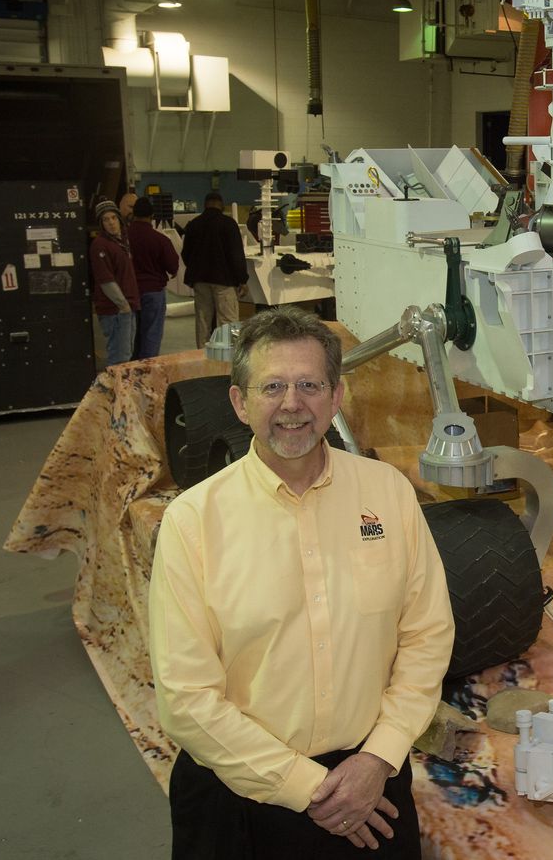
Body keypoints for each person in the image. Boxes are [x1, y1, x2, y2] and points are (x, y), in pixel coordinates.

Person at [149, 306, 454, 859]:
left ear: (336, 398)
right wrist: (309, 788)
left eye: (309, 385)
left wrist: (379, 757)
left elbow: (427, 635)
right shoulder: (193, 521)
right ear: (240, 402)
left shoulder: (387, 494)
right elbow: (186, 697)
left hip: (371, 782)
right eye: (272, 386)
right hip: (240, 795)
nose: (292, 403)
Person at [181, 190, 248, 348]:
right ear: (221, 206)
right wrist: (242, 279)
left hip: (200, 280)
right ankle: (229, 356)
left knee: (203, 321)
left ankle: (202, 355)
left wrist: (195, 271)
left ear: (205, 205)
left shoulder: (194, 224)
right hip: (224, 281)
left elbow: (185, 253)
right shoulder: (229, 224)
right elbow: (236, 254)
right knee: (228, 322)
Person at [128, 196, 181, 359]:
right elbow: (173, 266)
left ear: (133, 214)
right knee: (151, 334)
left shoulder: (123, 238)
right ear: (152, 216)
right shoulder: (160, 239)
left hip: (128, 292)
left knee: (130, 336)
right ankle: (147, 368)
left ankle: (131, 367)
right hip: (153, 291)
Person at [89, 199, 139, 367]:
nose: (111, 222)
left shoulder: (121, 242)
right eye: (105, 219)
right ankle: (115, 385)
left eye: (113, 218)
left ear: (119, 218)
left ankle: (120, 384)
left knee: (126, 354)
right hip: (115, 310)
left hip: (128, 307)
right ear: (101, 224)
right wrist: (123, 305)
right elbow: (105, 280)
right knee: (119, 358)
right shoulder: (100, 245)